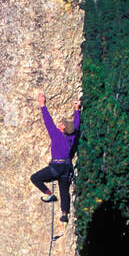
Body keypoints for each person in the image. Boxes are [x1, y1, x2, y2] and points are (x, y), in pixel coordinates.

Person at [30, 89, 81, 224]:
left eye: (62, 124)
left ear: (63, 129)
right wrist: (77, 109)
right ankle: (64, 214)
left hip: (57, 166)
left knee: (35, 178)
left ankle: (49, 194)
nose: (60, 123)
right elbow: (76, 124)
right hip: (66, 167)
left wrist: (43, 105)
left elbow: (48, 122)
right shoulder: (72, 136)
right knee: (64, 191)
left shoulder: (57, 135)